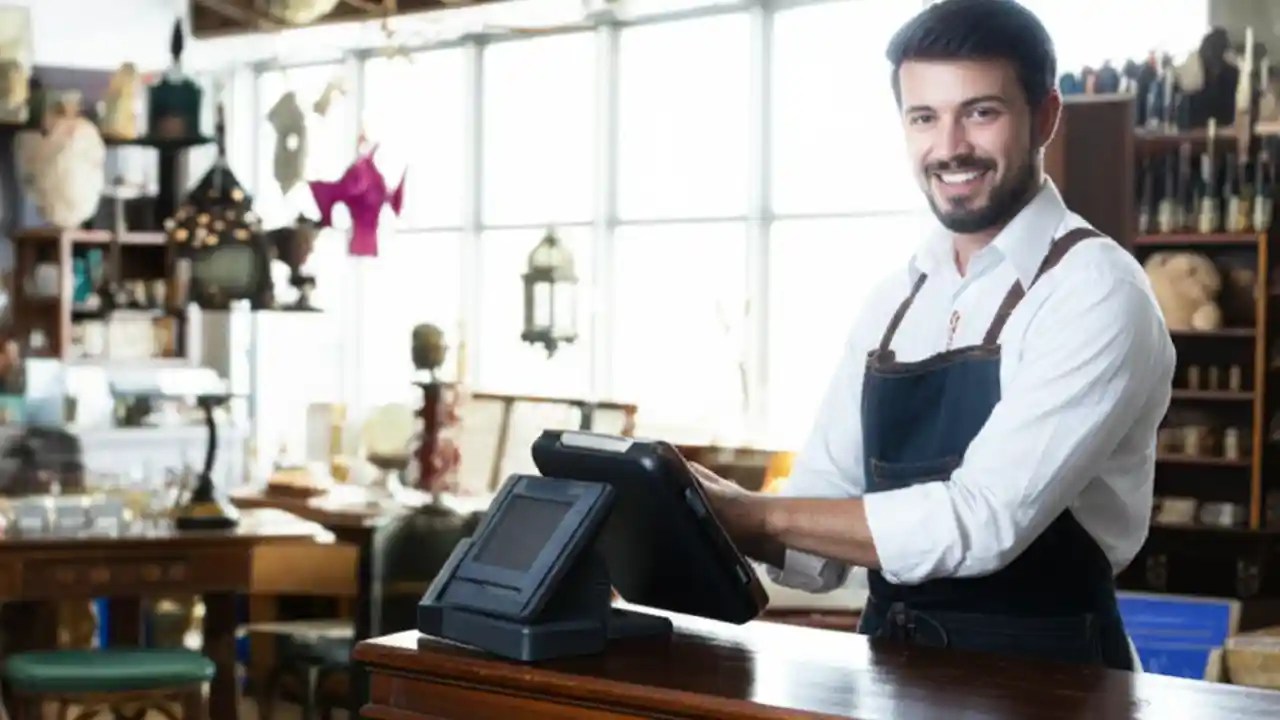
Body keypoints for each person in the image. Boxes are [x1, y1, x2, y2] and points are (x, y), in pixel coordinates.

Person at [692, 0, 1175, 671]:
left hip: (1051, 683)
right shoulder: (895, 300)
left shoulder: (1096, 290)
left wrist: (757, 516)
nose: (949, 148)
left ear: (1045, 117)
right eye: (925, 117)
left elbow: (983, 522)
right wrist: (686, 508)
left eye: (980, 112)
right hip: (891, 673)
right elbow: (820, 529)